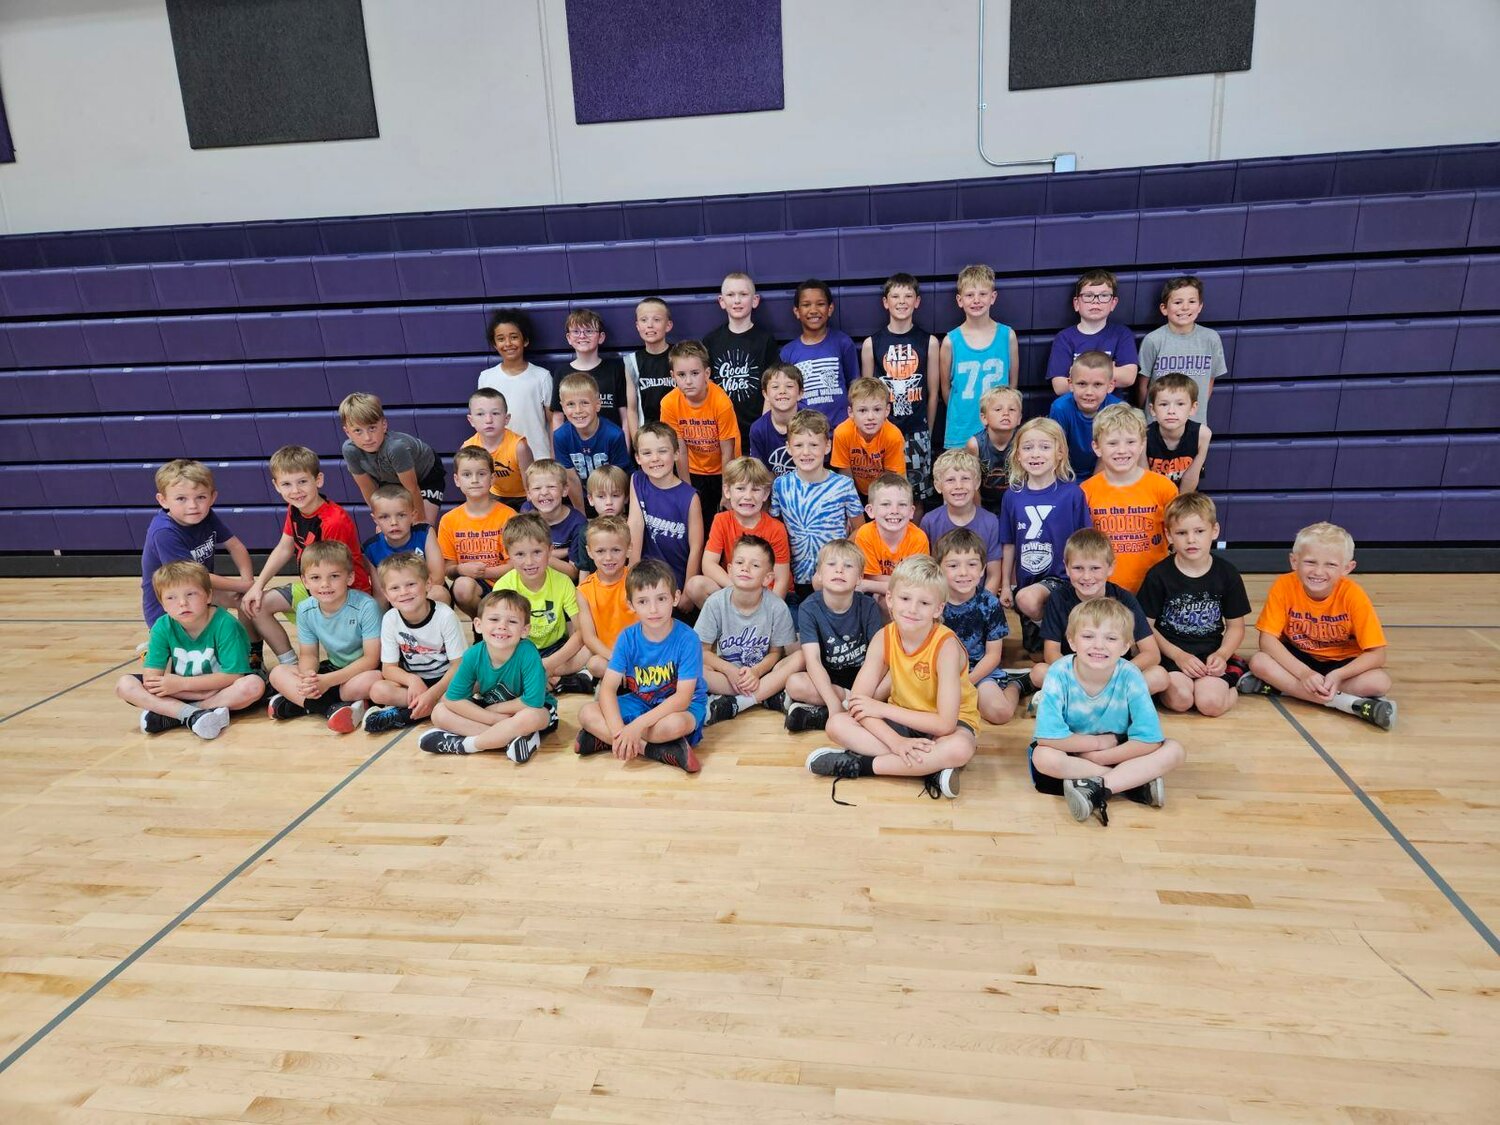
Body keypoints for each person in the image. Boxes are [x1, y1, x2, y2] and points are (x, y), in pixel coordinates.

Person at [805, 556, 979, 802]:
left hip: (948, 726)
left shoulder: (946, 646)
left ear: (938, 609)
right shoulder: (883, 637)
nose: (912, 609)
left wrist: (880, 708)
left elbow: (945, 724)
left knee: (960, 748)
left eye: (924, 603)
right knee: (836, 724)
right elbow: (858, 702)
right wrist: (896, 742)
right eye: (905, 598)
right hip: (904, 720)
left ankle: (863, 766)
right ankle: (929, 768)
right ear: (890, 600)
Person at [1029, 597, 1186, 827]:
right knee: (1042, 757)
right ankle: (1131, 784)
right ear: (1071, 641)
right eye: (1088, 636)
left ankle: (1095, 785)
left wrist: (1102, 756)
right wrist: (1098, 745)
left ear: (1125, 647)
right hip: (1070, 748)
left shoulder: (1131, 675)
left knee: (1174, 750)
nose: (1099, 645)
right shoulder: (1058, 673)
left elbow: (1149, 741)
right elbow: (1048, 738)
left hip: (1118, 749)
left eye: (1111, 638)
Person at [1238, 522, 1396, 729]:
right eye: (1310, 562)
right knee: (1259, 661)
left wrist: (1338, 676)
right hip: (1298, 659)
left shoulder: (1354, 596)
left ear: (1347, 568)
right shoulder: (1284, 586)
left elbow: (1377, 655)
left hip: (1341, 665)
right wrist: (1304, 674)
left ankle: (1283, 689)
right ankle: (1347, 704)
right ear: (1294, 561)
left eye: (1330, 564)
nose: (1318, 571)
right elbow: (1267, 641)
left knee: (1380, 682)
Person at [243, 445, 372, 670]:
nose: (295, 490)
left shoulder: (333, 521)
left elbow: (337, 576)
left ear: (318, 480)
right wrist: (257, 585)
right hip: (314, 586)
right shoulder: (295, 508)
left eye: (302, 481)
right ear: (276, 486)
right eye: (286, 484)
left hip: (346, 592)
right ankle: (291, 666)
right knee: (257, 604)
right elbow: (284, 547)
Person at [574, 559, 707, 773]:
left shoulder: (688, 638)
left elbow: (682, 699)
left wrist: (636, 727)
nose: (653, 609)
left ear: (675, 598)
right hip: (640, 702)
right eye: (643, 601)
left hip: (679, 708)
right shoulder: (627, 638)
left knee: (676, 725)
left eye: (661, 599)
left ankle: (605, 740)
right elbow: (607, 689)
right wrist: (620, 731)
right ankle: (653, 750)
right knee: (586, 712)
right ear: (630, 604)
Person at [117, 560, 263, 739]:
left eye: (191, 594)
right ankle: (194, 715)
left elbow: (233, 676)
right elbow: (151, 679)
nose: (182, 603)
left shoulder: (226, 624)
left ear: (208, 596)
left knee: (253, 686)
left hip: (218, 690)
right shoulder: (162, 626)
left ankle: (179, 715)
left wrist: (181, 684)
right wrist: (177, 687)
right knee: (125, 685)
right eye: (171, 598)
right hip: (180, 692)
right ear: (162, 604)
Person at [1138, 493, 1250, 718]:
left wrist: (1223, 653)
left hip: (1210, 655)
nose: (1191, 540)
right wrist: (1178, 655)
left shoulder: (1227, 573)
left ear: (1214, 531)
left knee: (1210, 705)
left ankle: (1233, 680)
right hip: (1171, 655)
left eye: (1199, 531)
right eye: (1181, 533)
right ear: (1169, 535)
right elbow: (1144, 627)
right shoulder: (1159, 575)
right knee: (1181, 701)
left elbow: (1236, 626)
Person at [417, 590, 557, 761]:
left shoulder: (528, 652)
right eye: (494, 619)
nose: (502, 626)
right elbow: (453, 699)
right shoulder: (472, 654)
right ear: (478, 624)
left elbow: (532, 701)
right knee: (439, 712)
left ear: (524, 630)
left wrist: (495, 711)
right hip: (492, 713)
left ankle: (466, 745)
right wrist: (492, 718)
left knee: (533, 716)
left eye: (512, 621)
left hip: (528, 711)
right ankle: (512, 739)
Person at [1031, 529, 1169, 696]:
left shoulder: (1124, 599)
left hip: (1115, 676)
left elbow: (1152, 654)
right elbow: (1051, 652)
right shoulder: (1058, 599)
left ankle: (1094, 701)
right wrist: (1077, 675)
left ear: (1111, 568)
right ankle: (1100, 702)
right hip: (1076, 677)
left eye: (1095, 568)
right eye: (1078, 568)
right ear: (1066, 568)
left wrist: (1116, 674)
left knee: (1159, 676)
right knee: (1039, 672)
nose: (1087, 576)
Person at [266, 541, 383, 733]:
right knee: (278, 673)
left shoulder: (366, 606)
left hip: (359, 672)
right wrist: (309, 678)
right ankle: (330, 708)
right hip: (332, 670)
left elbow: (371, 660)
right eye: (315, 577)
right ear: (305, 581)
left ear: (350, 577)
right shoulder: (305, 609)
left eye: (334, 576)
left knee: (374, 679)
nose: (325, 584)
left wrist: (327, 681)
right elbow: (309, 655)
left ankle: (304, 704)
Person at [1000, 418, 1092, 654]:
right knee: (1037, 657)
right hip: (1028, 581)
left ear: (1059, 453)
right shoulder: (1013, 495)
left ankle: (1061, 635)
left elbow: (1085, 542)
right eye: (1028, 447)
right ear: (1018, 455)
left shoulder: (1072, 493)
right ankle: (1057, 638)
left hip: (1063, 580)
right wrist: (1006, 586)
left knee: (1028, 600)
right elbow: (1009, 544)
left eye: (1045, 446)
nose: (1036, 454)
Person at [696, 536, 802, 724]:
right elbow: (702, 651)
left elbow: (776, 653)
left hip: (763, 675)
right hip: (727, 678)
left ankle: (737, 703)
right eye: (739, 562)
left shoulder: (777, 607)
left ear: (768, 578)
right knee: (693, 668)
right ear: (729, 570)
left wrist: (756, 672)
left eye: (755, 565)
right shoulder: (715, 603)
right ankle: (767, 696)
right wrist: (729, 671)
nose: (745, 568)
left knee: (801, 657)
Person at [781, 539, 884, 732]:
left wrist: (865, 691)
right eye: (831, 564)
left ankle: (829, 712)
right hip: (829, 678)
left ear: (860, 578)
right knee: (794, 684)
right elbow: (813, 661)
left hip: (864, 678)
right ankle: (850, 707)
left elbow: (877, 659)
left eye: (848, 566)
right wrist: (833, 704)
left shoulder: (868, 606)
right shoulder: (809, 608)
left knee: (892, 675)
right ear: (819, 574)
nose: (839, 570)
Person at [139, 459, 254, 629]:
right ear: (163, 500)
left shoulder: (205, 515)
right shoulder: (164, 533)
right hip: (172, 608)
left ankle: (253, 651)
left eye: (200, 497)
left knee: (249, 599)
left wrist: (248, 581)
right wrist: (243, 586)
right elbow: (194, 577)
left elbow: (235, 546)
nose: (193, 506)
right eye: (181, 499)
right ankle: (157, 645)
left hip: (200, 592)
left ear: (212, 497)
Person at [362, 552, 467, 732]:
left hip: (447, 680)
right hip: (416, 684)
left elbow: (459, 666)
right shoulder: (390, 619)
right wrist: (412, 680)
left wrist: (432, 694)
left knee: (470, 685)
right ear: (386, 594)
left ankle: (404, 715)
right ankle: (427, 707)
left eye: (411, 584)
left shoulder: (445, 616)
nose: (404, 592)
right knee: (378, 690)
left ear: (427, 584)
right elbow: (388, 669)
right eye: (395, 588)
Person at [1080, 403, 1178, 594]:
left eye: (1130, 442)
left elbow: (1177, 539)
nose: (1122, 450)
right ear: (1097, 447)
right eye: (1113, 443)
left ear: (1142, 444)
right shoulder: (1085, 492)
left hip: (1154, 590)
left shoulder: (1164, 488)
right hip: (1104, 590)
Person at [862, 272, 938, 511]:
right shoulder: (872, 343)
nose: (902, 301)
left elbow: (933, 393)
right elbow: (866, 393)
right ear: (886, 302)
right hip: (883, 432)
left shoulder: (929, 342)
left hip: (916, 431)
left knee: (915, 495)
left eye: (908, 296)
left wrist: (927, 430)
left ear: (917, 301)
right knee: (884, 493)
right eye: (895, 296)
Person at [770, 410, 864, 603]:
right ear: (788, 447)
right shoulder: (781, 485)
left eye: (814, 445)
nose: (806, 452)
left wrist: (838, 553)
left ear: (827, 446)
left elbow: (860, 529)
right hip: (797, 574)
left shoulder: (843, 485)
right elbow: (775, 528)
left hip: (834, 574)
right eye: (798, 445)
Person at [493, 513, 592, 694]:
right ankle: (556, 678)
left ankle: (540, 676)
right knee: (492, 655)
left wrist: (549, 664)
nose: (529, 562)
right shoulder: (504, 586)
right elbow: (501, 637)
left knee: (590, 648)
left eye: (537, 552)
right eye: (520, 554)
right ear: (508, 555)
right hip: (520, 650)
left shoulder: (563, 582)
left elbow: (580, 633)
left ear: (550, 550)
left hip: (556, 650)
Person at [935, 529, 1018, 726]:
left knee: (1001, 713)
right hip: (938, 672)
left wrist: (966, 682)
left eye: (972, 565)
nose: (963, 572)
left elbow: (993, 655)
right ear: (939, 569)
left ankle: (1017, 685)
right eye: (953, 565)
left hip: (978, 673)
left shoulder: (989, 603)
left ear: (982, 570)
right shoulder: (932, 601)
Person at [684, 456, 792, 608]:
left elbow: (781, 579)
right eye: (740, 488)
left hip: (766, 594)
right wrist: (737, 588)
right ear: (727, 491)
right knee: (695, 585)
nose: (748, 496)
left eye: (755, 489)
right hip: (734, 586)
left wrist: (769, 612)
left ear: (766, 494)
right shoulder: (721, 520)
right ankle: (726, 627)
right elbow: (708, 563)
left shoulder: (776, 528)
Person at [939, 264, 1018, 449]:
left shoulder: (1007, 336)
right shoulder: (951, 341)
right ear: (959, 300)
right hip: (962, 430)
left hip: (998, 431)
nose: (976, 300)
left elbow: (1012, 385)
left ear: (993, 297)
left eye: (983, 294)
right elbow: (946, 391)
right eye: (969, 295)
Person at [338, 391, 444, 526]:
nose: (367, 438)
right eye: (358, 431)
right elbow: (367, 489)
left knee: (423, 526)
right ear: (347, 432)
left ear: (384, 425)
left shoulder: (395, 448)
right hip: (389, 478)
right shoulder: (350, 450)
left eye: (372, 428)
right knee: (390, 529)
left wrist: (420, 525)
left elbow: (412, 489)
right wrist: (380, 520)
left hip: (425, 477)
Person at [660, 339, 740, 517]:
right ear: (673, 376)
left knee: (723, 518)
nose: (688, 381)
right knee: (696, 516)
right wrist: (686, 491)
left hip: (723, 469)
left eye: (695, 373)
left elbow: (728, 451)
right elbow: (679, 449)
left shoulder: (721, 402)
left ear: (707, 374)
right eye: (681, 375)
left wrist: (726, 491)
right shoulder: (669, 404)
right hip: (693, 469)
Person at [437, 446, 518, 616]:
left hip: (508, 582)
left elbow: (517, 564)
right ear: (457, 480)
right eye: (467, 474)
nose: (474, 480)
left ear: (492, 478)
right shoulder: (449, 520)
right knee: (462, 587)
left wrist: (485, 572)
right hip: (474, 586)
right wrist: (460, 570)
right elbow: (448, 569)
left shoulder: (508, 516)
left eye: (481, 474)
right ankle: (480, 624)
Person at [704, 272, 782, 441]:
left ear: (755, 300)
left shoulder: (765, 340)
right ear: (722, 301)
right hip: (722, 430)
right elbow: (706, 386)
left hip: (754, 428)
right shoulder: (711, 341)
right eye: (731, 295)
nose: (737, 300)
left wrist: (763, 427)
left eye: (743, 294)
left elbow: (771, 385)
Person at [1137, 275, 1225, 420]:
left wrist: (1195, 411)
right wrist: (1146, 416)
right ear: (1164, 308)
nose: (1185, 307)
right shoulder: (1153, 340)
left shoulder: (1211, 339)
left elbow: (1209, 381)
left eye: (1192, 301)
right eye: (1178, 302)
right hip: (1157, 423)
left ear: (1200, 306)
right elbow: (1143, 386)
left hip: (1193, 423)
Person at [627, 421, 703, 589]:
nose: (655, 458)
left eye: (662, 451)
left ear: (676, 453)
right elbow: (635, 525)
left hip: (678, 579)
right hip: (647, 577)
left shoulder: (690, 497)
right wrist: (631, 579)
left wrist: (687, 593)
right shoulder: (637, 480)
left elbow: (696, 547)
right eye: (647, 453)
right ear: (638, 458)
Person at [921, 449, 1003, 595]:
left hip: (978, 599)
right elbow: (927, 571)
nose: (958, 486)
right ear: (938, 486)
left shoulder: (991, 522)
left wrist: (982, 606)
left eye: (965, 478)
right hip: (941, 600)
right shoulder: (930, 521)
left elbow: (993, 574)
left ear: (977, 483)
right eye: (950, 480)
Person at [1046, 269, 1140, 396]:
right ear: (1076, 303)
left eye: (1104, 296)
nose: (1096, 301)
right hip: (1075, 408)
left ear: (1113, 303)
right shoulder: (1064, 338)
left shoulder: (1122, 334)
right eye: (1088, 296)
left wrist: (1078, 375)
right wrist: (1109, 373)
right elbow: (1060, 386)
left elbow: (1128, 377)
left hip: (1111, 411)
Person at [477, 308, 553, 460]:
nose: (508, 343)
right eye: (501, 339)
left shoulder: (542, 376)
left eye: (514, 337)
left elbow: (552, 421)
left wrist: (553, 455)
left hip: (538, 458)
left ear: (525, 340)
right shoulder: (486, 377)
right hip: (501, 460)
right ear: (494, 344)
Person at [780, 279, 857, 426]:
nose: (814, 310)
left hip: (841, 430)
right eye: (806, 305)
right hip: (805, 435)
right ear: (797, 311)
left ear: (830, 308)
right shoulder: (787, 352)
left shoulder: (843, 342)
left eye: (820, 304)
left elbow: (854, 385)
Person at [551, 372, 631, 513]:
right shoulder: (560, 436)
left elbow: (619, 479)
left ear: (598, 405)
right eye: (570, 404)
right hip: (581, 498)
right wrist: (581, 516)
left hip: (610, 500)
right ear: (563, 408)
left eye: (584, 403)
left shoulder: (614, 435)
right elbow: (572, 479)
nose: (578, 411)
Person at [360, 484, 448, 609]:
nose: (394, 522)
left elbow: (438, 578)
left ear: (413, 515)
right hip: (395, 601)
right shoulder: (371, 548)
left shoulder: (425, 533)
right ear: (375, 520)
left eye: (401, 515)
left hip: (426, 593)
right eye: (384, 517)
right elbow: (380, 595)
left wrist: (410, 596)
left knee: (439, 593)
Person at [576, 515, 637, 680]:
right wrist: (615, 659)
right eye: (600, 551)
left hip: (641, 651)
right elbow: (589, 637)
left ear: (628, 549)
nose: (608, 558)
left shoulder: (637, 580)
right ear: (589, 552)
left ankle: (623, 682)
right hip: (609, 654)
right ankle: (626, 681)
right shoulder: (584, 590)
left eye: (616, 550)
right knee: (595, 664)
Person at [552, 308, 629, 438]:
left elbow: (625, 417)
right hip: (575, 451)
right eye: (576, 332)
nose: (582, 336)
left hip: (611, 447)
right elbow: (558, 417)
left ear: (601, 337)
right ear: (569, 338)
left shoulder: (615, 370)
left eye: (589, 331)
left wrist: (625, 451)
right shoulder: (562, 372)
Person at [854, 473, 930, 603]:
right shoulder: (865, 534)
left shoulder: (918, 537)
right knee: (882, 600)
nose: (894, 510)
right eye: (885, 504)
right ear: (870, 510)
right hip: (875, 595)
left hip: (910, 597)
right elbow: (872, 577)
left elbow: (917, 583)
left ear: (912, 511)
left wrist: (866, 585)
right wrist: (903, 584)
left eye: (902, 504)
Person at [1048, 350, 1123, 479]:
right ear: (1070, 384)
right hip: (1067, 475)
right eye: (1082, 384)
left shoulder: (1118, 410)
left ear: (1110, 386)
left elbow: (1114, 454)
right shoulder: (1060, 408)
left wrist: (1093, 486)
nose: (1089, 392)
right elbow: (1056, 451)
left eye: (1097, 385)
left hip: (1106, 474)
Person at [832, 376, 906, 499]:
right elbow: (845, 474)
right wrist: (853, 501)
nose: (870, 417)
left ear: (887, 410)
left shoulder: (893, 435)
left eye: (877, 409)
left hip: (889, 486)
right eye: (862, 410)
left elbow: (891, 478)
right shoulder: (842, 432)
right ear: (851, 412)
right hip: (856, 488)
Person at [461, 387, 531, 505]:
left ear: (506, 419)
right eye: (480, 414)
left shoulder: (519, 447)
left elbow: (531, 486)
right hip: (494, 496)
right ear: (471, 420)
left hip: (523, 496)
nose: (488, 420)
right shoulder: (468, 448)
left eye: (495, 413)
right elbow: (469, 488)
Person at [520, 459, 586, 582]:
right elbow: (521, 553)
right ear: (528, 493)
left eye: (551, 487)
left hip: (562, 582)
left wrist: (540, 554)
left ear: (565, 490)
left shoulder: (578, 523)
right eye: (537, 488)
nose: (544, 492)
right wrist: (565, 551)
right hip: (532, 576)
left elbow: (573, 573)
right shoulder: (527, 510)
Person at [1145, 372, 1212, 493]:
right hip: (1152, 497)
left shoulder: (1202, 435)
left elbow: (1190, 480)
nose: (1171, 411)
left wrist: (1178, 509)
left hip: (1185, 498)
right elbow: (1144, 479)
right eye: (1163, 404)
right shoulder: (1144, 436)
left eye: (1180, 404)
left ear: (1193, 408)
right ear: (1153, 409)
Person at [965, 385, 1022, 511]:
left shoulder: (1023, 442)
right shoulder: (974, 444)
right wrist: (980, 514)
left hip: (1017, 504)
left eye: (1012, 409)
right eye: (998, 409)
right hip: (984, 504)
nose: (1006, 413)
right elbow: (972, 484)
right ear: (984, 418)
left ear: (1019, 418)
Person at [624, 296, 675, 428]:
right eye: (644, 320)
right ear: (637, 326)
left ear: (668, 325)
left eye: (657, 320)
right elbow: (632, 409)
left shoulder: (679, 355)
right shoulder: (632, 361)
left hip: (677, 433)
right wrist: (637, 442)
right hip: (646, 434)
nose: (650, 325)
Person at [571, 464, 630, 575]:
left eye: (615, 495)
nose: (609, 502)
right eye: (601, 496)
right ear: (591, 499)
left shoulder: (632, 528)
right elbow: (584, 569)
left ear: (626, 497)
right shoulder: (585, 531)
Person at [748, 362, 803, 478]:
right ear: (765, 394)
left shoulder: (812, 424)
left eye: (789, 386)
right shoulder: (758, 429)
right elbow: (761, 474)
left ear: (800, 393)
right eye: (775, 387)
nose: (782, 391)